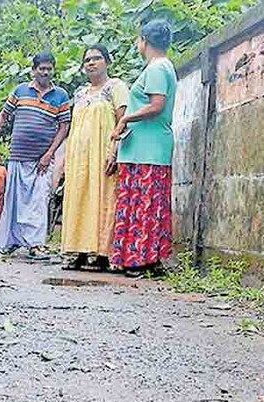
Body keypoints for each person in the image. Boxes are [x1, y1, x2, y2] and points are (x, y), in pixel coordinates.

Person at [0, 52, 70, 259]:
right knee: (15, 201)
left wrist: (49, 154)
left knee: (39, 201)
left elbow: (63, 127)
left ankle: (35, 245)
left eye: (49, 69)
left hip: (42, 159)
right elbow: (3, 115)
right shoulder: (21, 91)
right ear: (33, 70)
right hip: (18, 155)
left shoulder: (60, 95)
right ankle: (11, 241)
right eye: (42, 68)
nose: (46, 72)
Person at [110, 21, 177, 277]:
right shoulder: (161, 67)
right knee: (148, 204)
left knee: (143, 204)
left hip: (146, 149)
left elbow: (156, 105)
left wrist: (125, 119)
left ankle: (138, 260)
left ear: (144, 41)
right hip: (145, 148)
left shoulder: (158, 68)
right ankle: (147, 258)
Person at [60, 45, 128, 271]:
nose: (91, 63)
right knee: (79, 199)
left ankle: (101, 254)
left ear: (107, 62)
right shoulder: (80, 93)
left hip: (103, 154)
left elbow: (123, 120)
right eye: (87, 60)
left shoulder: (115, 87)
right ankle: (78, 251)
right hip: (79, 157)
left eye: (97, 58)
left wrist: (115, 150)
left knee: (103, 199)